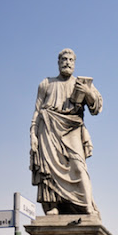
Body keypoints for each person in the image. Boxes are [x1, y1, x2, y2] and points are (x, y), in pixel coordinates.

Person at [30, 48, 102, 215]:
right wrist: (32, 134)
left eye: (70, 60)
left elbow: (96, 108)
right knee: (48, 167)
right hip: (48, 129)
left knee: (79, 166)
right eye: (63, 59)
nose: (67, 62)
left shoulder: (82, 84)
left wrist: (87, 93)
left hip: (72, 129)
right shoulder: (46, 83)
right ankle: (52, 204)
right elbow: (37, 111)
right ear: (58, 62)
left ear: (74, 64)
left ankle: (87, 206)